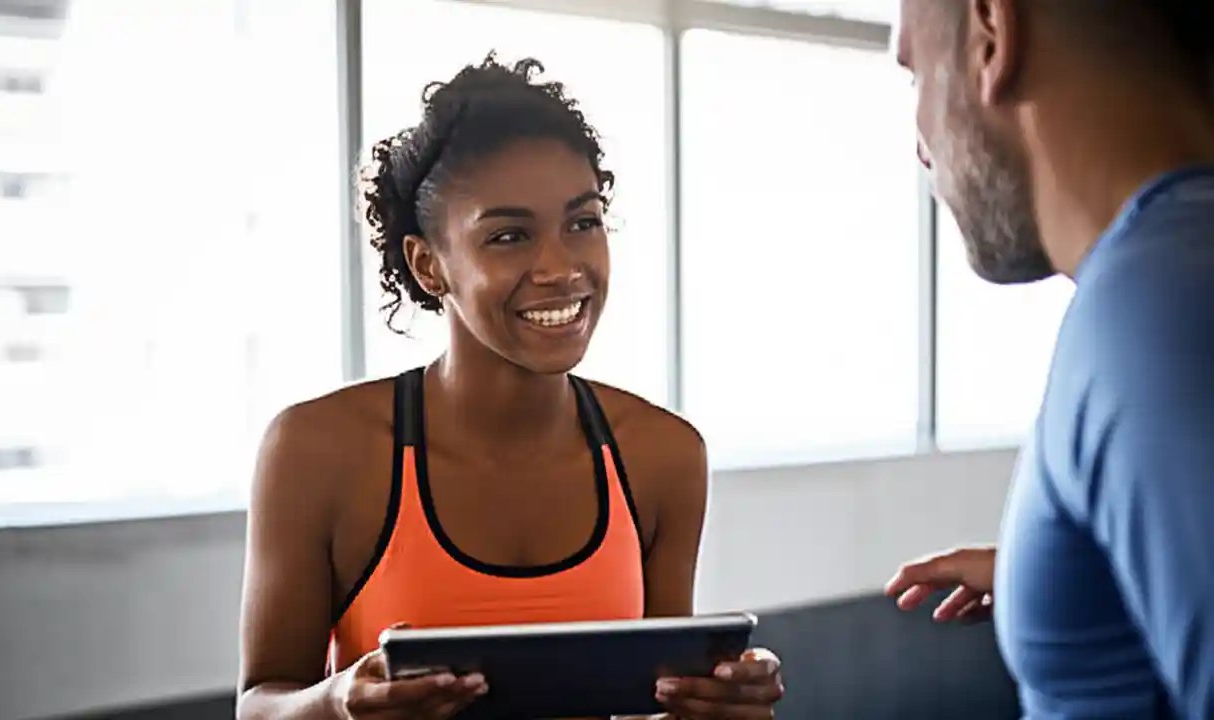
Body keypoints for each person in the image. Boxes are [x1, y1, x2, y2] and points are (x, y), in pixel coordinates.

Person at [235, 53, 784, 720]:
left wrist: (716, 707)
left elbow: (653, 705)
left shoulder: (662, 455)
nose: (560, 268)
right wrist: (338, 701)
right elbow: (260, 704)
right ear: (428, 264)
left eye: (583, 222)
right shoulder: (318, 449)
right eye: (508, 236)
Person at [884, 0, 1214, 717]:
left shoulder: (1155, 303)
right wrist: (1075, 567)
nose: (920, 145)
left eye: (916, 72)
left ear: (991, 33)